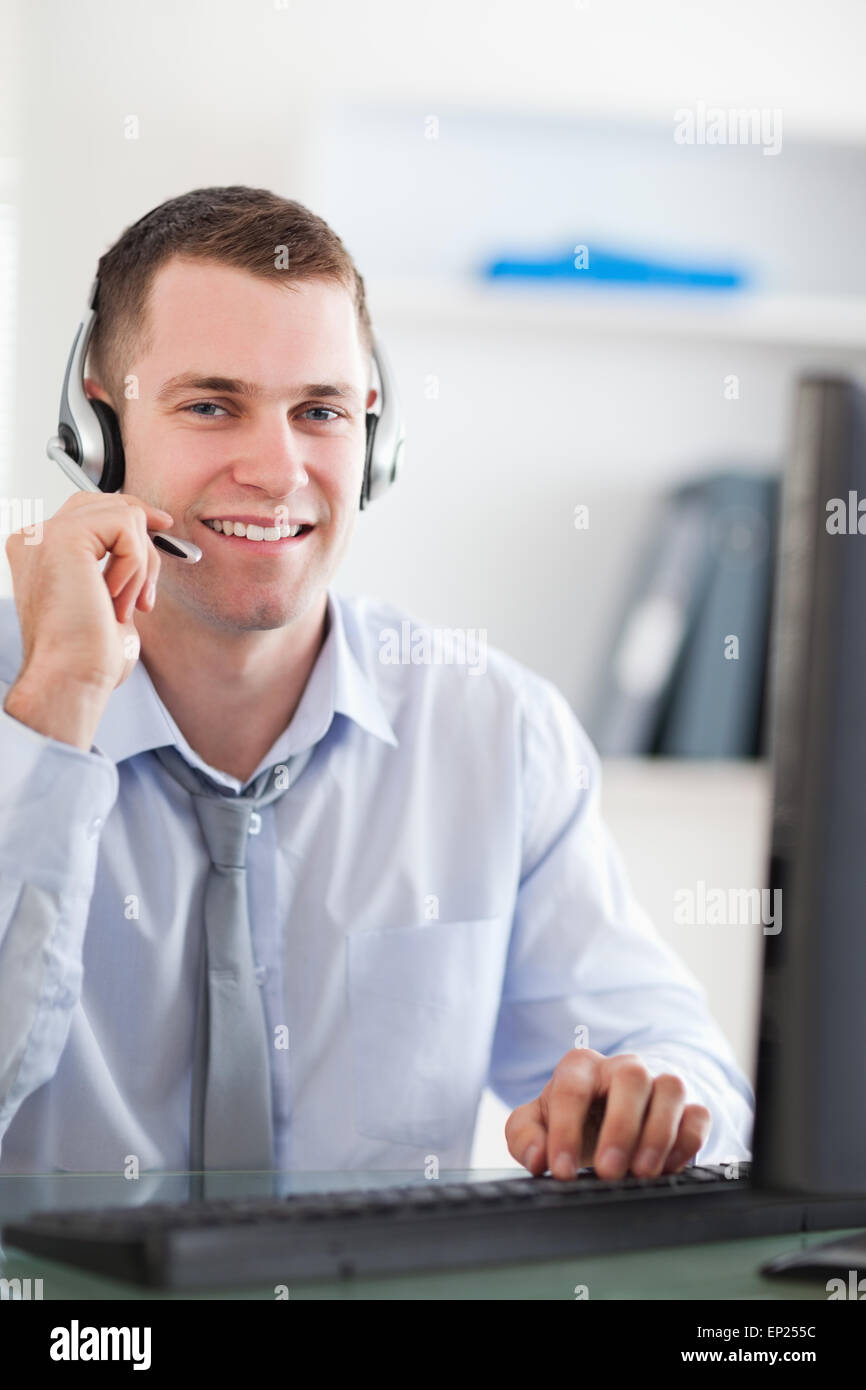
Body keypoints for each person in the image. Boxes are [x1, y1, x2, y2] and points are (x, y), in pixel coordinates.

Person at [0, 186, 754, 1178]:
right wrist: (55, 710)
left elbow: (682, 1063)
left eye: (318, 411)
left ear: (376, 444)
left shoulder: (491, 730)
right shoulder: (28, 695)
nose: (276, 470)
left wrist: (640, 1102)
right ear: (97, 431)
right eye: (210, 405)